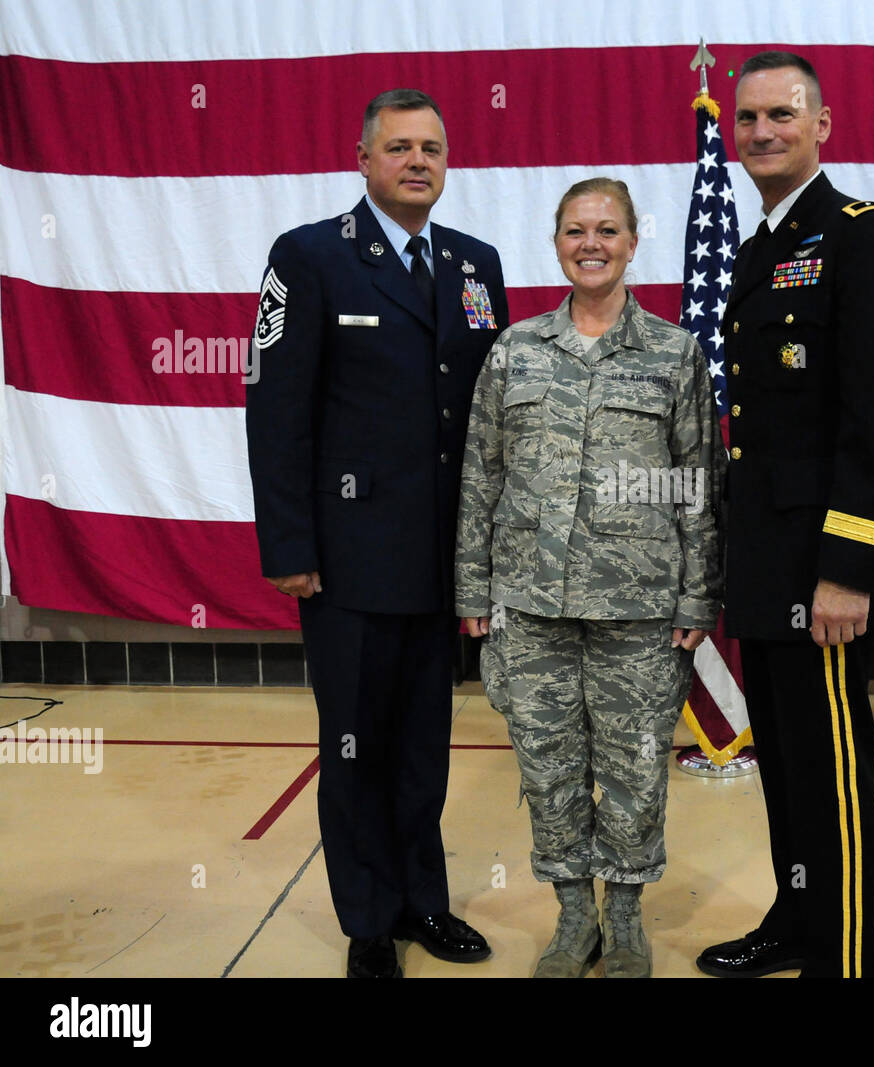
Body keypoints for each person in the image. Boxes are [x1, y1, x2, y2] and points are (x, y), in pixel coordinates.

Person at [245, 88, 508, 978]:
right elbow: (276, 414)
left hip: (441, 562)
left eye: (432, 146)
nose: (418, 161)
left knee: (424, 744)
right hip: (350, 562)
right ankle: (366, 920)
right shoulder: (310, 257)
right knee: (355, 744)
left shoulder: (475, 265)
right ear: (363, 160)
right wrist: (289, 547)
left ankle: (423, 901)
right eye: (398, 147)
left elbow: (488, 419)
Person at [695, 52, 874, 979]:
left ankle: (846, 960)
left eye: (780, 116)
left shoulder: (859, 236)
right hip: (766, 560)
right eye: (745, 119)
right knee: (788, 764)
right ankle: (798, 919)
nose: (760, 132)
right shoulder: (762, 247)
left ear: (821, 126)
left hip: (824, 568)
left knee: (834, 774)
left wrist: (847, 569)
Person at [456, 178, 723, 978]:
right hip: (531, 608)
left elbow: (697, 482)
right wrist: (474, 590)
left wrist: (697, 592)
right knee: (548, 768)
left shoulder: (674, 352)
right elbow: (482, 474)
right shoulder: (515, 349)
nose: (591, 243)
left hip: (639, 613)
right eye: (576, 230)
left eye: (608, 229)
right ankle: (574, 920)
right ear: (558, 241)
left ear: (634, 242)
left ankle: (629, 920)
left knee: (637, 771)